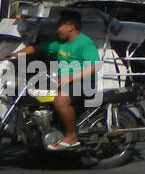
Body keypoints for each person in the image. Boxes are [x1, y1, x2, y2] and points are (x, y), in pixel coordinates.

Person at [1, 8, 100, 149]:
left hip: (83, 83)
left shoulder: (85, 44)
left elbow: (95, 67)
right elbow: (36, 48)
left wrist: (69, 78)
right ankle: (40, 129)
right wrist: (13, 56)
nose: (57, 28)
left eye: (60, 25)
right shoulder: (59, 42)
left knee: (61, 99)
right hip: (61, 80)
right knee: (29, 93)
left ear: (71, 27)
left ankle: (71, 136)